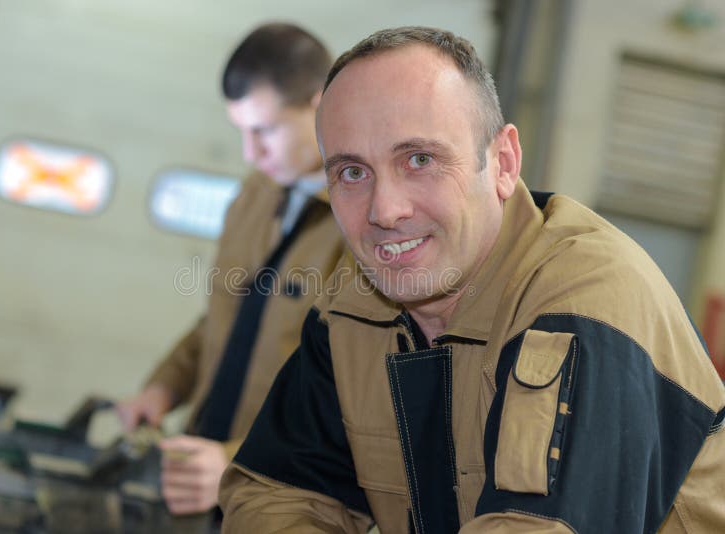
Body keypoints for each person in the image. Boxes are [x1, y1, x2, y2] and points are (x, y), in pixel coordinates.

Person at [219, 26, 725, 533]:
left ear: (503, 163)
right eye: (352, 172)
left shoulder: (588, 302)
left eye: (420, 160)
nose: (385, 211)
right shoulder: (355, 309)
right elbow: (277, 492)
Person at [117, 23, 343, 516]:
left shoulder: (366, 225)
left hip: (283, 504)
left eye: (263, 130)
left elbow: (353, 400)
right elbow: (226, 318)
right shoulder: (254, 194)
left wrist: (234, 463)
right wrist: (165, 386)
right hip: (200, 486)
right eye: (241, 132)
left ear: (321, 102)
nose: (250, 153)